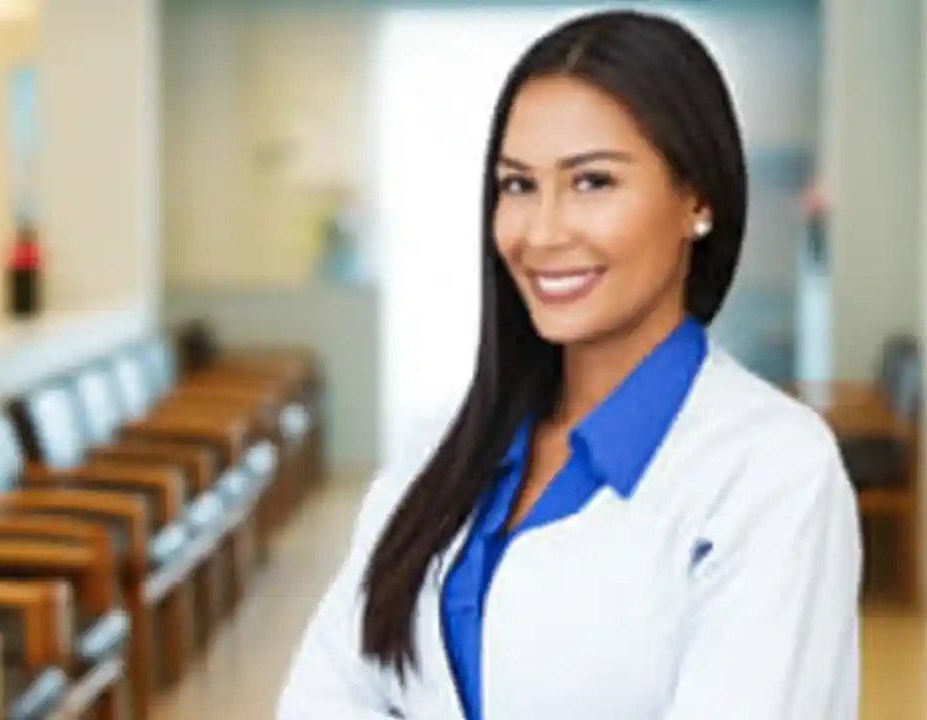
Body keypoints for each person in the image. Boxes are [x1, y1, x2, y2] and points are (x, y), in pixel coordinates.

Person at [279, 9, 861, 719]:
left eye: (592, 182)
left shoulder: (771, 471)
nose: (542, 232)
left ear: (696, 199)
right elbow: (329, 691)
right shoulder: (442, 450)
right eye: (518, 185)